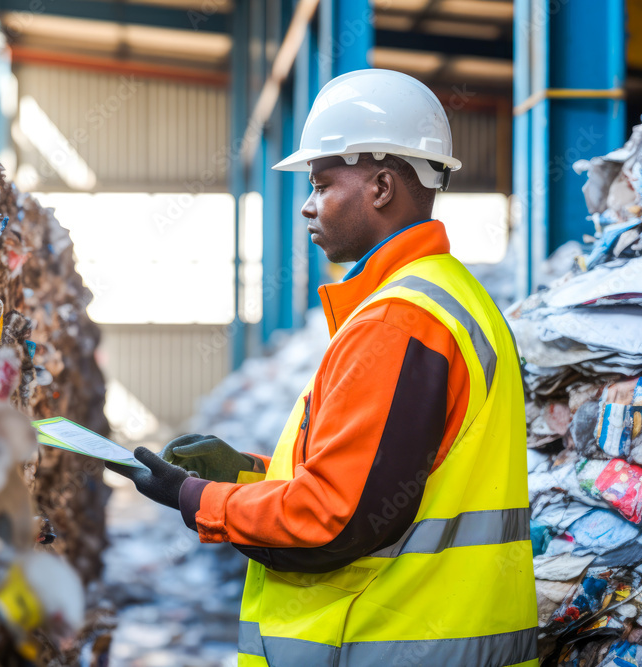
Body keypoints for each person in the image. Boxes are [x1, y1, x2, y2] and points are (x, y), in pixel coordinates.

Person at [106, 69, 538, 667]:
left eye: (322, 184)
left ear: (383, 186)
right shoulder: (454, 296)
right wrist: (246, 474)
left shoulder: (399, 321)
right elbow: (375, 479)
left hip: (385, 643)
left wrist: (196, 497)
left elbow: (333, 521)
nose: (308, 207)